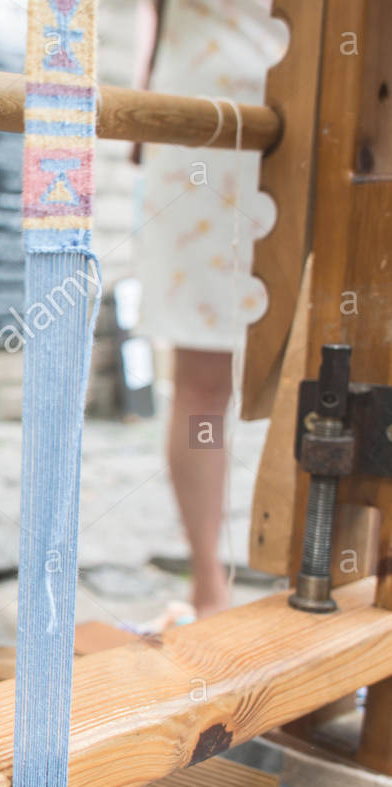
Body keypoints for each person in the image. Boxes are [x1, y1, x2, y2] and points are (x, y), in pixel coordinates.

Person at [134, 0, 286, 619]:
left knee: (332, 366)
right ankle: (209, 585)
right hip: (206, 131)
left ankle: (318, 571)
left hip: (337, 122)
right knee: (203, 382)